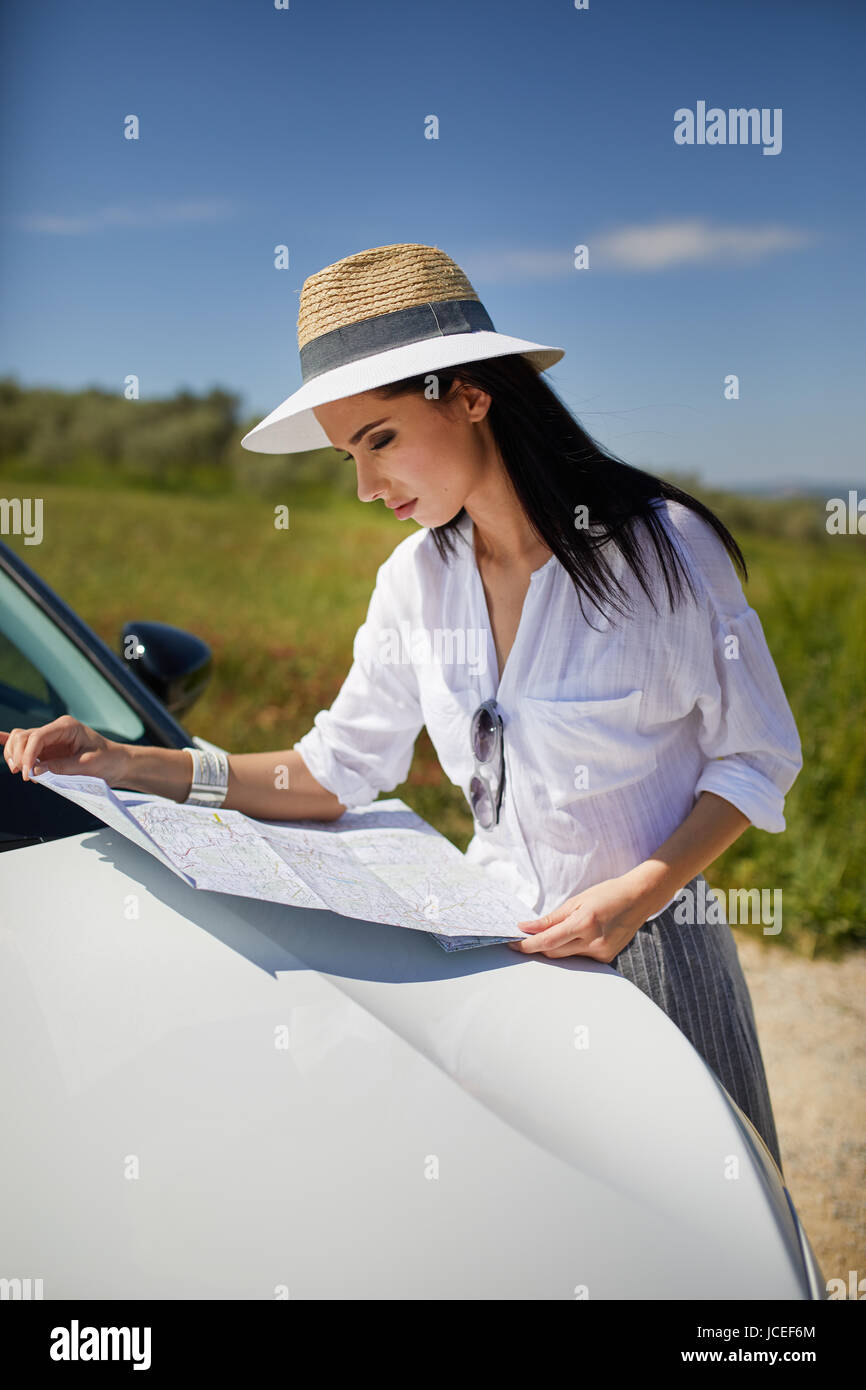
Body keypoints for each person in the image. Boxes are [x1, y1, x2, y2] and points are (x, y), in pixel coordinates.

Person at [1, 242, 802, 1172]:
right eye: (348, 454)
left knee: (700, 1236)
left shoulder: (663, 548)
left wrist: (639, 893)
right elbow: (332, 770)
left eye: (379, 440)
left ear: (469, 394)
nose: (366, 487)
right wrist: (127, 760)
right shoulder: (417, 580)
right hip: (497, 957)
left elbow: (755, 758)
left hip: (658, 956)